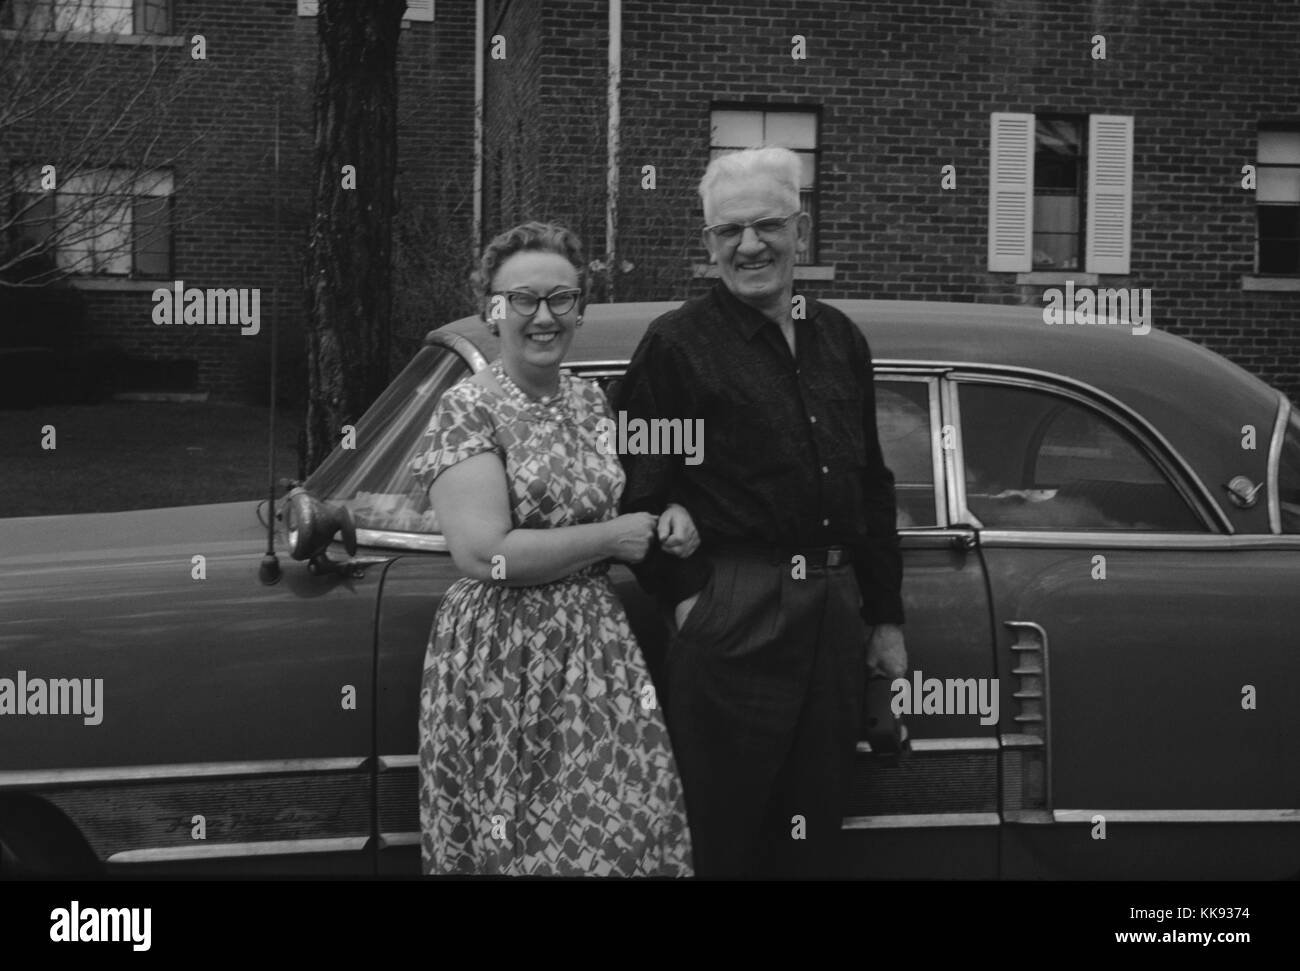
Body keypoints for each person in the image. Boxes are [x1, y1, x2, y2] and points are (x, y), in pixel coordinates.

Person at [615, 147, 908, 879]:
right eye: (729, 231)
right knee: (722, 831)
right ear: (708, 242)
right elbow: (634, 492)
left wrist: (885, 615)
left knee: (816, 830)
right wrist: (691, 606)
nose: (750, 245)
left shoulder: (840, 338)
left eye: (769, 224)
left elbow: (872, 480)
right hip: (735, 607)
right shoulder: (676, 347)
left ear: (800, 230)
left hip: (835, 613)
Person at [412, 221, 694, 876]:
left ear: (580, 307)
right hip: (504, 653)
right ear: (494, 308)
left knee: (625, 833)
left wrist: (669, 515)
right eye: (524, 299)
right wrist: (614, 539)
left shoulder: (589, 400)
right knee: (527, 849)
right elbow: (485, 553)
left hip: (594, 646)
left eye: (561, 299)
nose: (544, 316)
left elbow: (620, 501)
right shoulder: (468, 408)